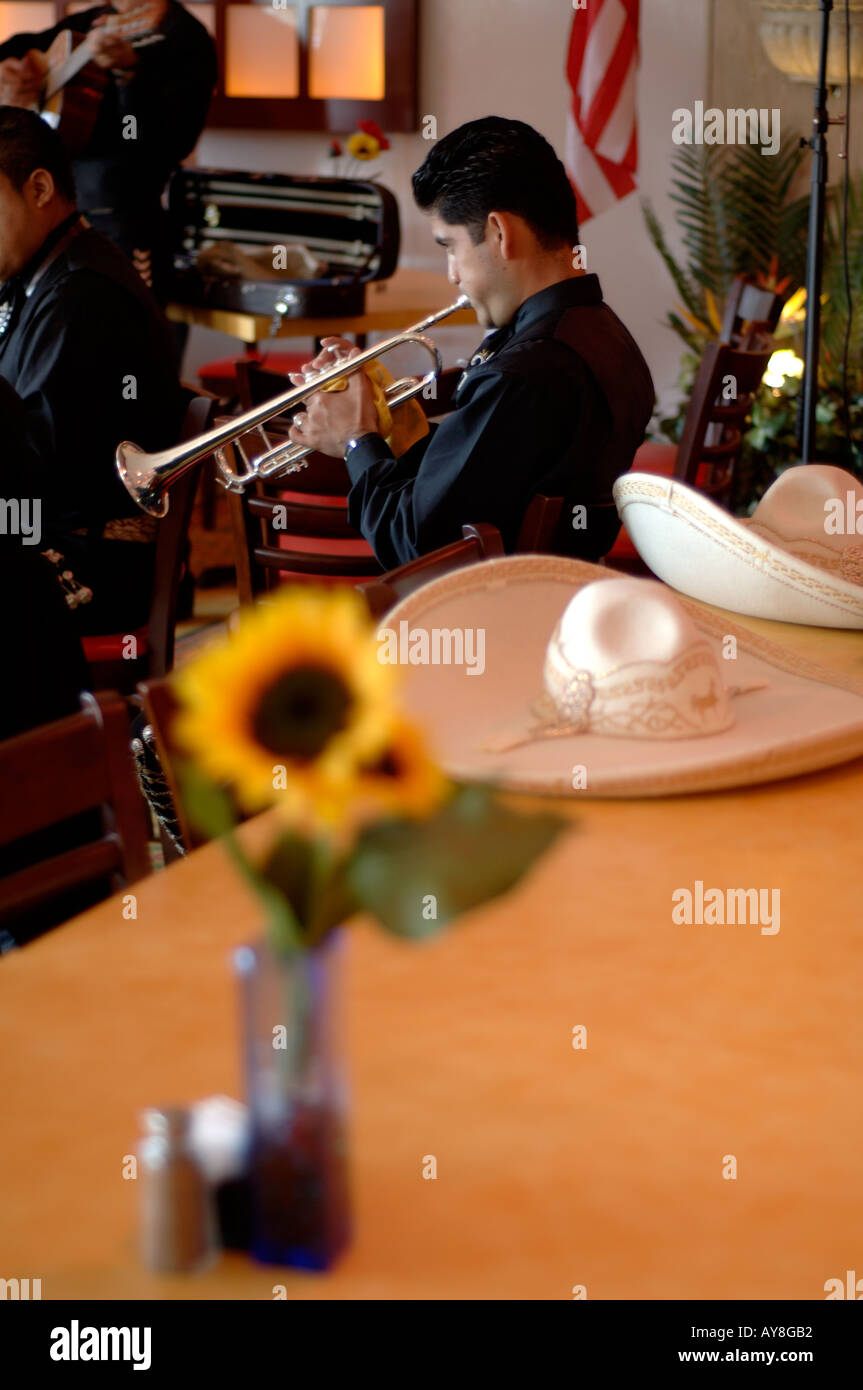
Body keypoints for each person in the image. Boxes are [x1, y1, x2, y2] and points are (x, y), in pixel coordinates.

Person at [286, 116, 655, 569]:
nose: (453, 274)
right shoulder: (607, 336)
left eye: (450, 246)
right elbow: (495, 476)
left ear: (499, 232)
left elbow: (412, 547)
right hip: (555, 597)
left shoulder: (526, 371)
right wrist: (401, 432)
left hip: (487, 615)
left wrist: (356, 440)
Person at [0, 106, 186, 634]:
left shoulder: (84, 294)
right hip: (39, 531)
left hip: (91, 562)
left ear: (38, 189)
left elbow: (34, 470)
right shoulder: (38, 274)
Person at [0, 0, 216, 301]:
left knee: (125, 327)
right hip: (58, 219)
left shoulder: (184, 37)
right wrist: (7, 77)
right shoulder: (90, 22)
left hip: (124, 220)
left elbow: (166, 143)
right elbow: (20, 48)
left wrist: (130, 76)